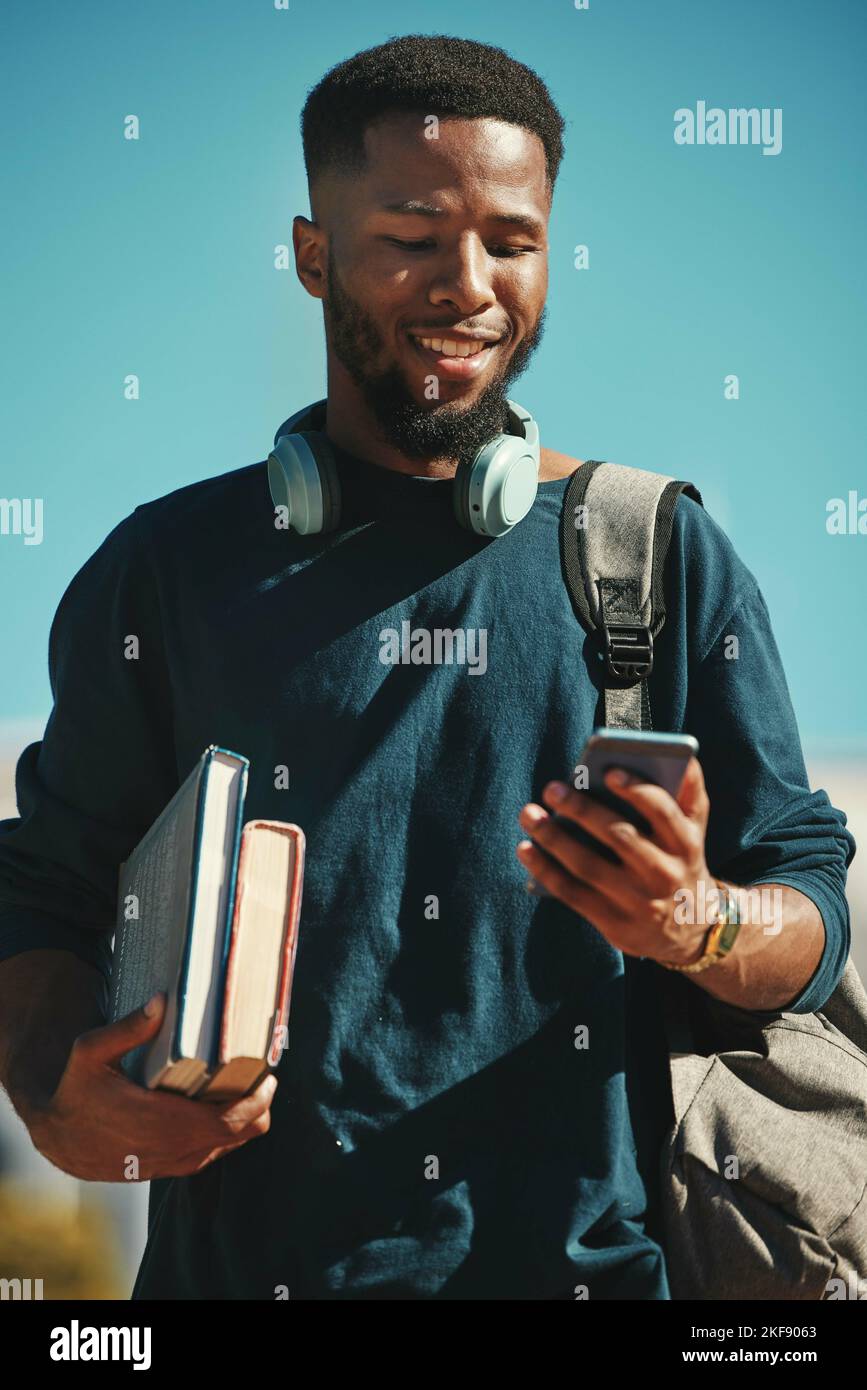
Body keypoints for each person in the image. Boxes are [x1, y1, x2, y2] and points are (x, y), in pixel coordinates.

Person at [0, 34, 855, 1301]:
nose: (469, 285)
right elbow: (46, 897)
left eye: (511, 240)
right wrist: (53, 1097)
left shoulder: (655, 554)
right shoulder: (165, 571)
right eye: (411, 236)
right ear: (311, 258)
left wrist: (699, 920)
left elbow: (814, 909)